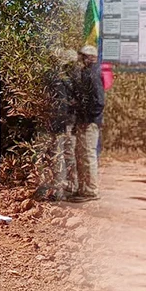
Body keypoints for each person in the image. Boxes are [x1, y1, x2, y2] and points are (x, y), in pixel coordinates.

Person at [34, 48, 79, 201]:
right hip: (64, 122)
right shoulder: (69, 79)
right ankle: (65, 189)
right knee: (64, 154)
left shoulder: (62, 79)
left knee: (63, 154)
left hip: (64, 122)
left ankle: (65, 189)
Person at [70, 45, 105, 203]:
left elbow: (99, 102)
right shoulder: (87, 73)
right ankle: (83, 188)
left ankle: (91, 190)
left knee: (88, 155)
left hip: (89, 122)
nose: (81, 59)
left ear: (90, 57)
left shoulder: (93, 74)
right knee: (81, 155)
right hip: (84, 121)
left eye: (83, 56)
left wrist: (88, 118)